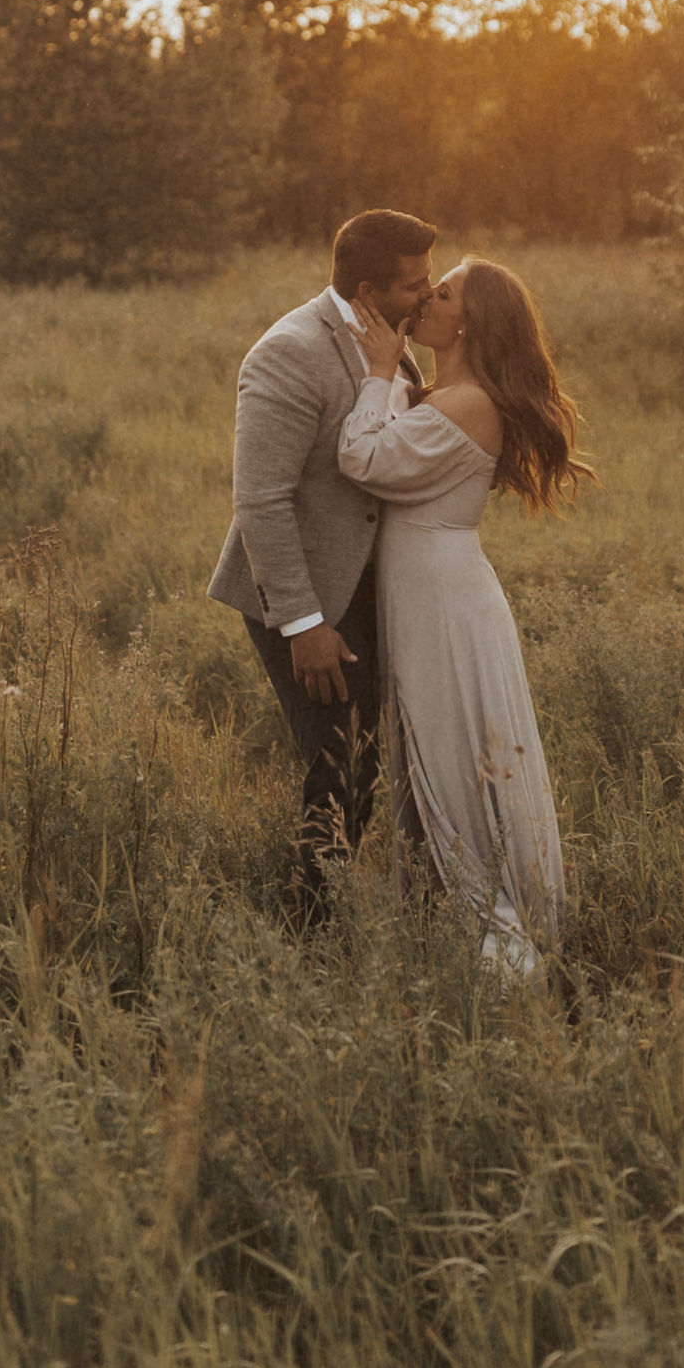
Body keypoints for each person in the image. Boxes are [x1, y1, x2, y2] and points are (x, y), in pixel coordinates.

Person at [338, 255, 589, 972]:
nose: (424, 297)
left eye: (440, 293)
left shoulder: (470, 402)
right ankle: (448, 919)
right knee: (434, 751)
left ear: (467, 321)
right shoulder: (444, 390)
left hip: (445, 601)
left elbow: (362, 458)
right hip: (427, 590)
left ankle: (499, 931)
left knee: (456, 758)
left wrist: (379, 372)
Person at [207, 209, 437, 916]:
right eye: (414, 285)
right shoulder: (289, 352)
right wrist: (304, 625)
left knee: (374, 757)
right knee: (343, 764)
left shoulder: (388, 340)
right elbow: (262, 500)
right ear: (368, 290)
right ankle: (307, 930)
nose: (427, 295)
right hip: (302, 597)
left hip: (367, 586)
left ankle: (353, 908)